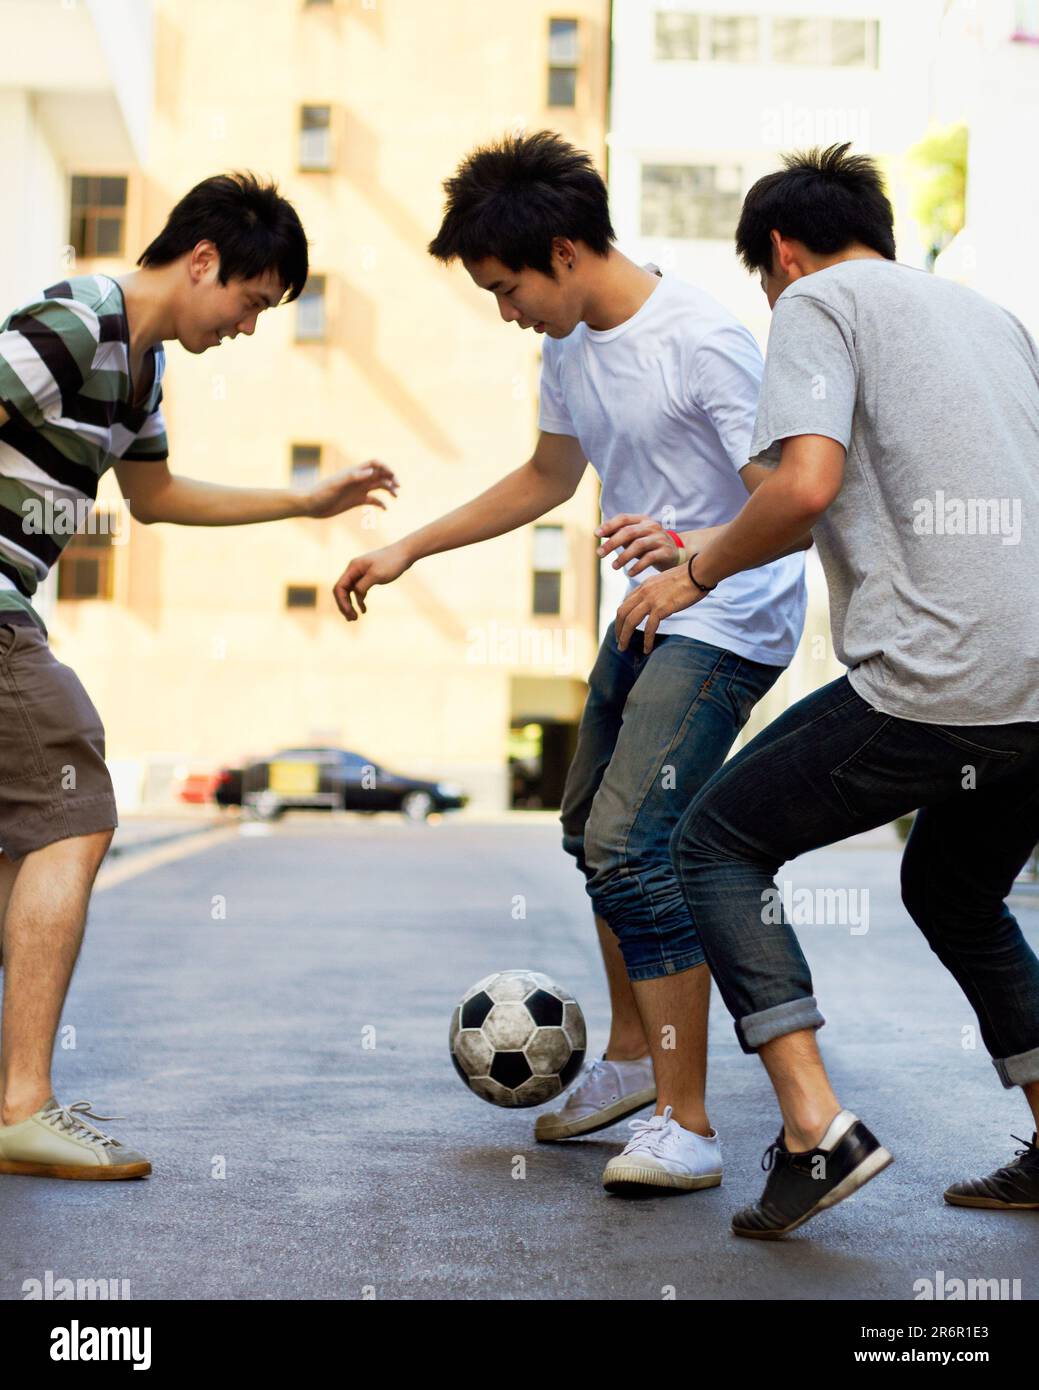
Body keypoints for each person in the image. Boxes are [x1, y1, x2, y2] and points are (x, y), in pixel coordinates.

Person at [334, 131, 808, 1191]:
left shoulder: (702, 340)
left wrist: (695, 558)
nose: (505, 313)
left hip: (728, 614)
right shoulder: (568, 346)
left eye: (507, 289)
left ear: (561, 250)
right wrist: (413, 544)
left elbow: (785, 493)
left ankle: (687, 1122)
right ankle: (635, 1062)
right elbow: (547, 475)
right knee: (588, 830)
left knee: (635, 845)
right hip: (646, 615)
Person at [614, 142, 1039, 1236]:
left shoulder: (816, 302)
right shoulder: (986, 319)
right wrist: (707, 536)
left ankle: (815, 1128)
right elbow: (846, 500)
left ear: (783, 257)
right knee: (951, 887)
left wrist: (692, 572)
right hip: (1033, 686)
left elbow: (804, 488)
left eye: (762, 282)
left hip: (937, 681)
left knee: (709, 842)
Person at [0, 172, 398, 1180]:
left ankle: (15, 1095)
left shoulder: (139, 373)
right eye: (252, 303)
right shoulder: (80, 318)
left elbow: (161, 498)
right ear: (203, 261)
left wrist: (305, 504)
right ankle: (22, 1108)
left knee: (19, 852)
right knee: (71, 809)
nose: (250, 327)